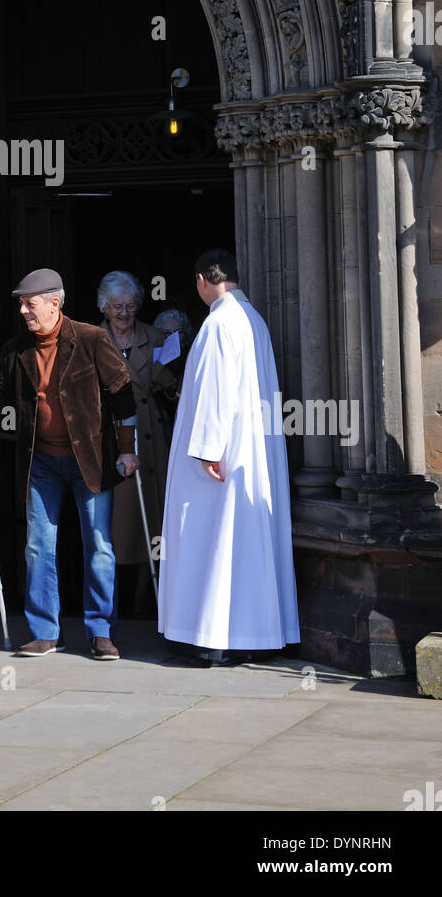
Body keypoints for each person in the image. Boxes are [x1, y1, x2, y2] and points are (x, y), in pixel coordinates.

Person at [0, 268, 138, 660]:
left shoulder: (91, 339)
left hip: (89, 459)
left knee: (99, 546)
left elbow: (123, 396)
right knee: (38, 547)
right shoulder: (15, 349)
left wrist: (126, 449)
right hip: (41, 462)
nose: (23, 310)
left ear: (54, 304)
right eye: (22, 303)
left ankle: (100, 630)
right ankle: (44, 631)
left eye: (30, 303)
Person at [158, 248, 300, 664]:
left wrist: (207, 449)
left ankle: (216, 633)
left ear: (203, 280)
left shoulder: (220, 322)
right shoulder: (252, 320)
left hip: (224, 453)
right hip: (248, 448)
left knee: (218, 539)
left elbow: (217, 391)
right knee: (242, 541)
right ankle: (247, 633)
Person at [98, 271, 183, 617]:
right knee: (119, 530)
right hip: (116, 446)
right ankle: (114, 610)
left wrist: (164, 375)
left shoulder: (156, 336)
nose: (123, 313)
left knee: (158, 528)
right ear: (104, 308)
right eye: (117, 306)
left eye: (130, 306)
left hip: (152, 447)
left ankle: (155, 606)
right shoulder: (92, 340)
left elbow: (176, 388)